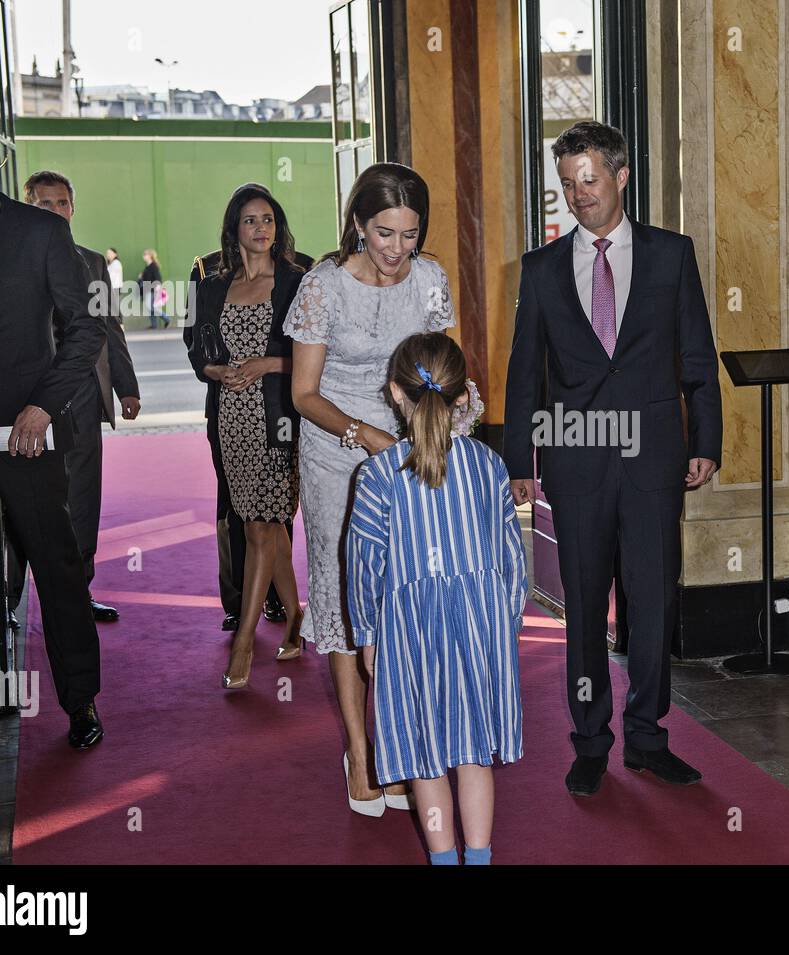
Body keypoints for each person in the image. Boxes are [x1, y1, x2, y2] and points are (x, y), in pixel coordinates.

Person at [503, 121, 722, 797]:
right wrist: (520, 460)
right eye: (566, 184)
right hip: (576, 465)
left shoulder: (670, 255)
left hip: (654, 458)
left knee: (653, 603)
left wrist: (706, 442)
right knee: (585, 607)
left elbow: (697, 358)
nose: (577, 196)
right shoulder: (540, 271)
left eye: (588, 181)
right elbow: (522, 374)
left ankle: (649, 738)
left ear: (621, 177)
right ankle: (591, 740)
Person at [286, 162, 455, 813]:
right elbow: (304, 393)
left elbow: (439, 375)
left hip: (410, 455)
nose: (397, 249)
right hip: (336, 453)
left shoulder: (431, 280)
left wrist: (441, 430)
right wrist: (366, 434)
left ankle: (400, 745)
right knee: (347, 600)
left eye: (410, 235)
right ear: (359, 224)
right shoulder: (324, 287)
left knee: (404, 602)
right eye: (384, 233)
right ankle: (360, 752)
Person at [0, 105, 104, 749]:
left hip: (24, 428)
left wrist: (43, 407)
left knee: (56, 567)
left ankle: (81, 701)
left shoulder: (39, 232)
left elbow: (85, 326)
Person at [347, 332, 524, 864]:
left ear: (395, 396)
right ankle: (480, 859)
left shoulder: (377, 475)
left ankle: (445, 860)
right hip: (480, 628)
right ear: (462, 396)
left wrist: (368, 636)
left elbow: (365, 568)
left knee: (425, 760)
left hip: (410, 633)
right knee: (474, 757)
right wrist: (505, 624)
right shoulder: (489, 466)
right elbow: (511, 558)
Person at [5, 169, 141, 626]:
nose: (56, 211)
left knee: (82, 499)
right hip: (27, 398)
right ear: (28, 208)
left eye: (62, 203)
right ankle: (10, 600)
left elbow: (108, 329)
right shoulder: (9, 259)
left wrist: (126, 385)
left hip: (82, 393)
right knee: (25, 497)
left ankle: (78, 597)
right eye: (45, 204)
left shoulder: (93, 263)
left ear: (72, 209)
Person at [188, 184, 304, 687]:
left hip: (280, 420)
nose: (262, 229)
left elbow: (318, 354)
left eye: (269, 220)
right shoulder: (212, 285)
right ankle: (297, 618)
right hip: (231, 420)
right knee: (268, 526)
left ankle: (243, 645)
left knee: (261, 525)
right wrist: (218, 372)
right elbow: (196, 351)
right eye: (251, 221)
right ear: (234, 230)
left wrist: (265, 365)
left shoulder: (298, 281)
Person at [140, 248, 166, 328]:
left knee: (151, 307)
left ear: (150, 256)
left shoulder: (153, 266)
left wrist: (158, 286)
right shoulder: (147, 267)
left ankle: (166, 318)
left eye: (146, 254)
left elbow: (158, 277)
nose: (144, 256)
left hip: (153, 289)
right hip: (147, 289)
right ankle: (154, 325)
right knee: (149, 307)